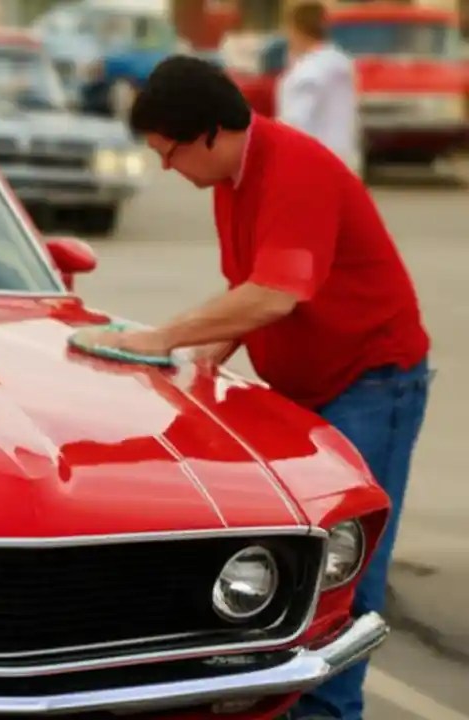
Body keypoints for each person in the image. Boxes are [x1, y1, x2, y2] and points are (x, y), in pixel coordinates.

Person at [72, 55, 431, 720]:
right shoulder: (233, 180)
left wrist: (163, 338)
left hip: (371, 381)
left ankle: (329, 712)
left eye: (168, 152)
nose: (165, 170)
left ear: (209, 133)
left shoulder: (292, 170)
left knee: (343, 568)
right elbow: (248, 293)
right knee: (294, 551)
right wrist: (194, 372)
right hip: (311, 383)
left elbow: (274, 296)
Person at [276, 0, 362, 174]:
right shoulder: (341, 63)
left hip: (312, 167)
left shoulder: (307, 72)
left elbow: (295, 124)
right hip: (344, 162)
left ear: (296, 30)